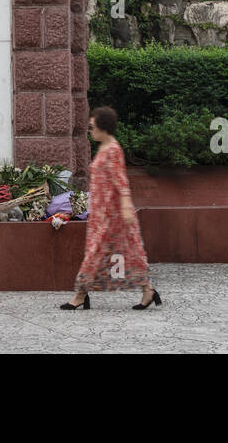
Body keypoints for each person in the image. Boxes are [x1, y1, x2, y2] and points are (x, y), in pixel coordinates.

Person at [61, 106, 162, 311]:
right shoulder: (104, 147)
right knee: (124, 251)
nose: (90, 129)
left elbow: (121, 180)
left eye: (92, 126)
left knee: (99, 252)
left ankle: (80, 294)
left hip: (112, 214)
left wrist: (125, 206)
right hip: (101, 213)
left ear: (103, 127)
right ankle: (147, 290)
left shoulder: (113, 150)